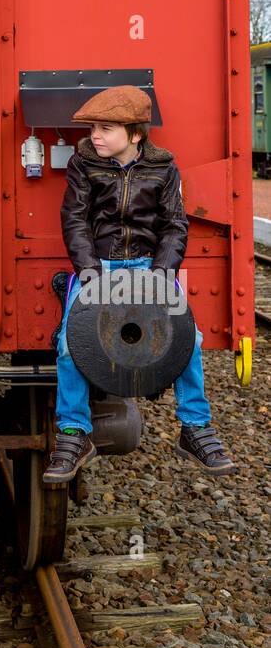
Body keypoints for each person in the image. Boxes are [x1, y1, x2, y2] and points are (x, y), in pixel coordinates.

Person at [43, 84, 236, 484]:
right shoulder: (85, 163)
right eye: (94, 127)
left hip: (151, 268)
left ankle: (195, 428)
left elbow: (175, 225)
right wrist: (89, 270)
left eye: (106, 128)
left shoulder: (164, 168)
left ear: (135, 135)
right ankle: (74, 435)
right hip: (99, 268)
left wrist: (163, 274)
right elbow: (74, 218)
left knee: (190, 339)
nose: (95, 135)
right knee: (68, 346)